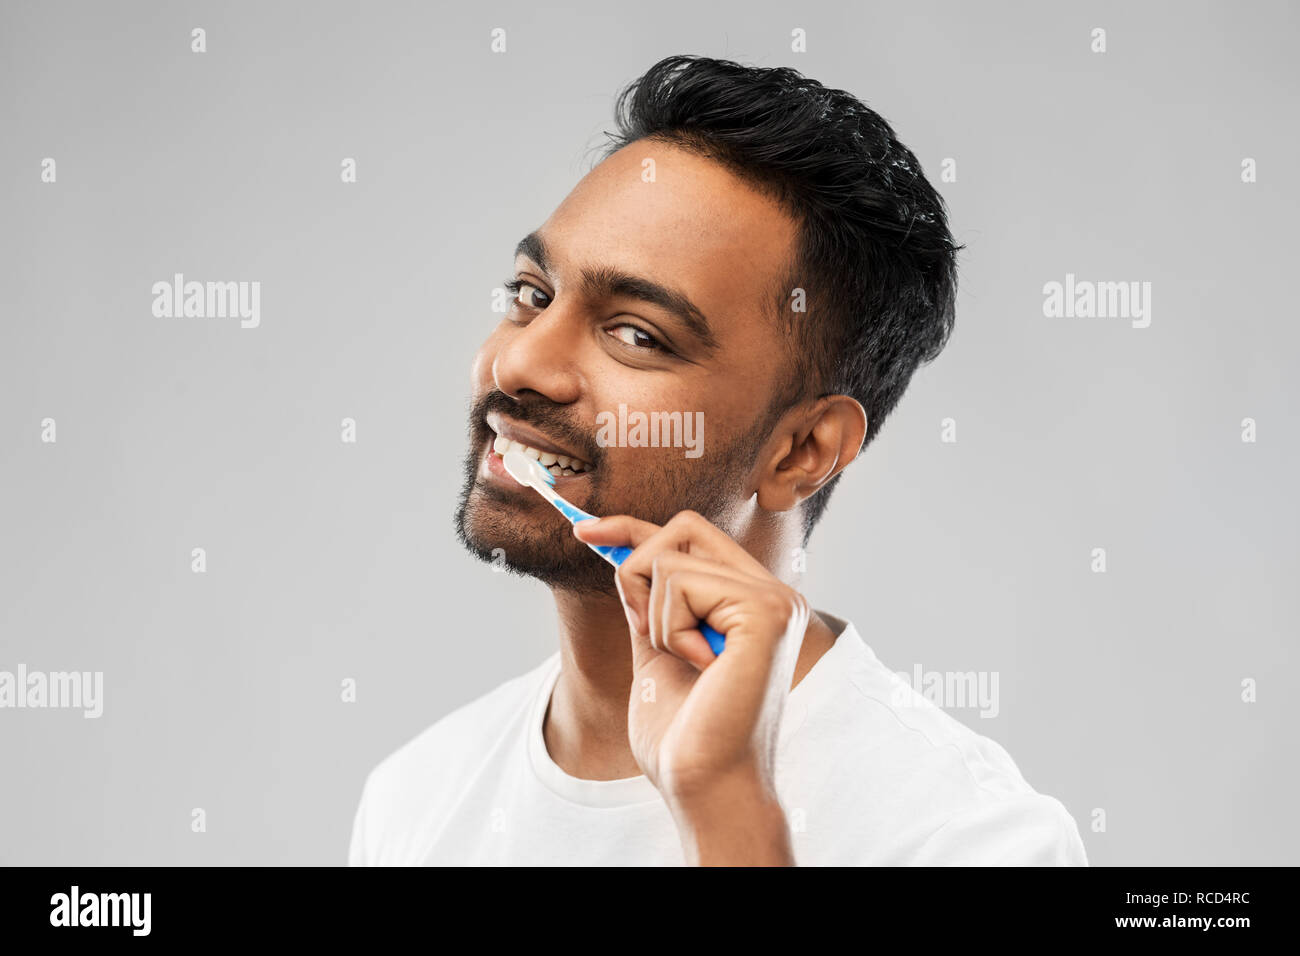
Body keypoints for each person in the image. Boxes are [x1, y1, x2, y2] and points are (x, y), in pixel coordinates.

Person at [349, 55, 1087, 866]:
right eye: (533, 294)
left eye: (636, 334)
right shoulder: (414, 800)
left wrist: (728, 811)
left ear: (802, 450)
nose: (518, 365)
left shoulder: (966, 838)